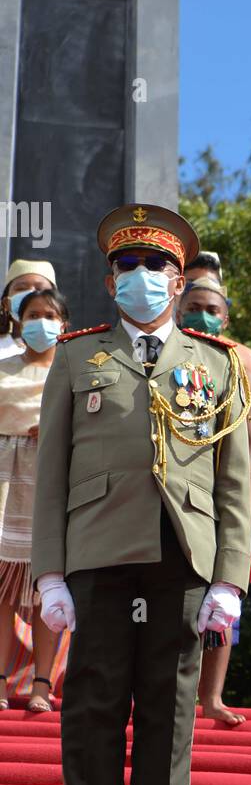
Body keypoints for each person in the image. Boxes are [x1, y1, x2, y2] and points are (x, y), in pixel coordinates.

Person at [31, 204, 251, 785]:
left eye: (157, 264)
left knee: (171, 702)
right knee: (94, 701)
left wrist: (230, 579)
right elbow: (51, 474)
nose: (141, 274)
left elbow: (234, 482)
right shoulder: (77, 358)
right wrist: (48, 572)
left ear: (179, 280)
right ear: (109, 282)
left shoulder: (219, 364)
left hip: (182, 552)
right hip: (97, 550)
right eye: (126, 265)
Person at [178, 261, 251, 726]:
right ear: (179, 308)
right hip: (173, 499)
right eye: (193, 307)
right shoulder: (163, 354)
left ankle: (211, 698)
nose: (202, 316)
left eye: (211, 309)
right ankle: (169, 694)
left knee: (221, 603)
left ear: (225, 316)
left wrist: (241, 513)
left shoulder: (242, 358)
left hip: (228, 502)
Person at [0, 286, 69, 711]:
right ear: (18, 323)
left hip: (49, 483)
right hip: (4, 482)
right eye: (32, 315)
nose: (40, 322)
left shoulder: (71, 372)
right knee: (2, 590)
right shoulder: (1, 368)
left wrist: (57, 434)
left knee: (48, 589)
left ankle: (43, 685)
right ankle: (2, 682)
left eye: (49, 315)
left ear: (64, 325)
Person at [0, 260, 57, 362]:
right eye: (21, 288)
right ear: (6, 303)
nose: (31, 294)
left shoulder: (68, 352)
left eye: (40, 289)